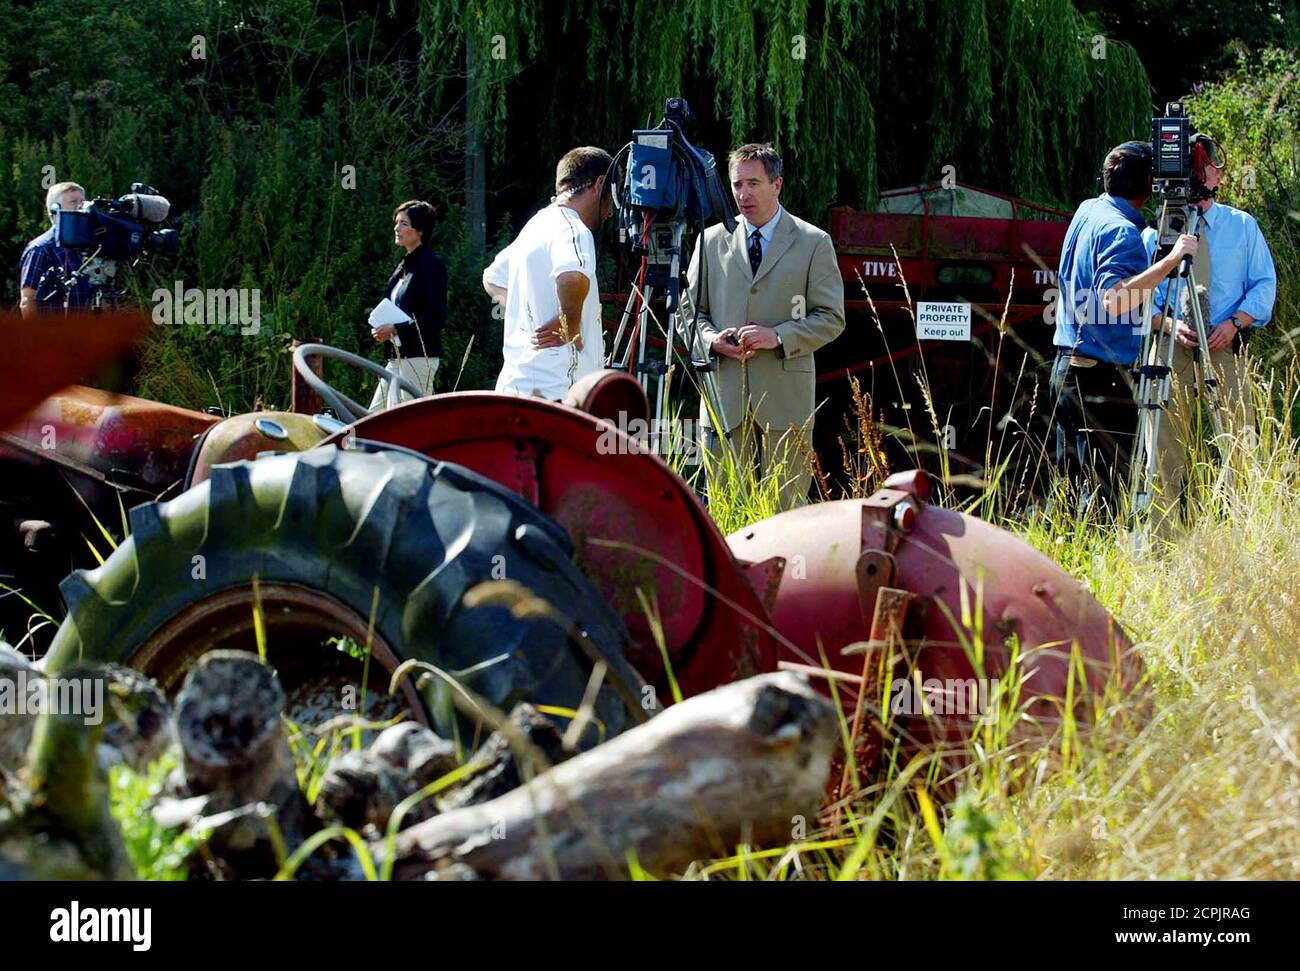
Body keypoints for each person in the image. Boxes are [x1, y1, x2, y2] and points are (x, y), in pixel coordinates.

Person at [677, 142, 845, 506]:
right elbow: (687, 313)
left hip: (786, 400)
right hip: (725, 401)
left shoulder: (813, 242)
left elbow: (831, 317)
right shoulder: (710, 240)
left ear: (777, 185)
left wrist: (778, 336)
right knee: (724, 508)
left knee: (786, 511)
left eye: (753, 183)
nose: (743, 194)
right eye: (737, 184)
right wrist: (710, 340)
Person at [1049, 142, 1199, 515]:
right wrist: (1171, 261)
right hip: (1099, 378)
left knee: (1071, 489)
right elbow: (1114, 300)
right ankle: (1099, 568)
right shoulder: (1123, 233)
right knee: (1105, 492)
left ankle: (1065, 566)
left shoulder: (1089, 210)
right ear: (1149, 184)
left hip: (1066, 366)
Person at [1142, 134, 1277, 520]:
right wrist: (1168, 325)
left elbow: (1265, 283)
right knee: (1163, 448)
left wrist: (1236, 323)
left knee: (1240, 442)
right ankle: (1162, 538)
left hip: (1224, 346)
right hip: (1172, 348)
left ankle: (1247, 528)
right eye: (1206, 166)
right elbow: (1136, 300)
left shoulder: (1241, 226)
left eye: (1212, 167)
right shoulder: (1155, 234)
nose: (1214, 173)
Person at [482, 146, 613, 401]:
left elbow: (493, 277)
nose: (612, 211)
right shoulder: (574, 228)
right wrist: (569, 322)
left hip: (516, 387)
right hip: (557, 392)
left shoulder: (537, 225)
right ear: (600, 184)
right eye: (614, 195)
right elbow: (571, 277)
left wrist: (526, 310)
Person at [367, 200, 447, 410]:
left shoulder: (432, 266)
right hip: (396, 357)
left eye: (403, 223)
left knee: (408, 423)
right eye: (396, 222)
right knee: (372, 418)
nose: (396, 228)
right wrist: (383, 329)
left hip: (418, 359)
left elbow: (435, 316)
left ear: (420, 230)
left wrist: (394, 329)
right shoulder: (404, 264)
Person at [19, 181, 92, 317]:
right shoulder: (41, 248)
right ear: (55, 210)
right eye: (73, 201)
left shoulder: (89, 247)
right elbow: (27, 299)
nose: (80, 206)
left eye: (82, 201)